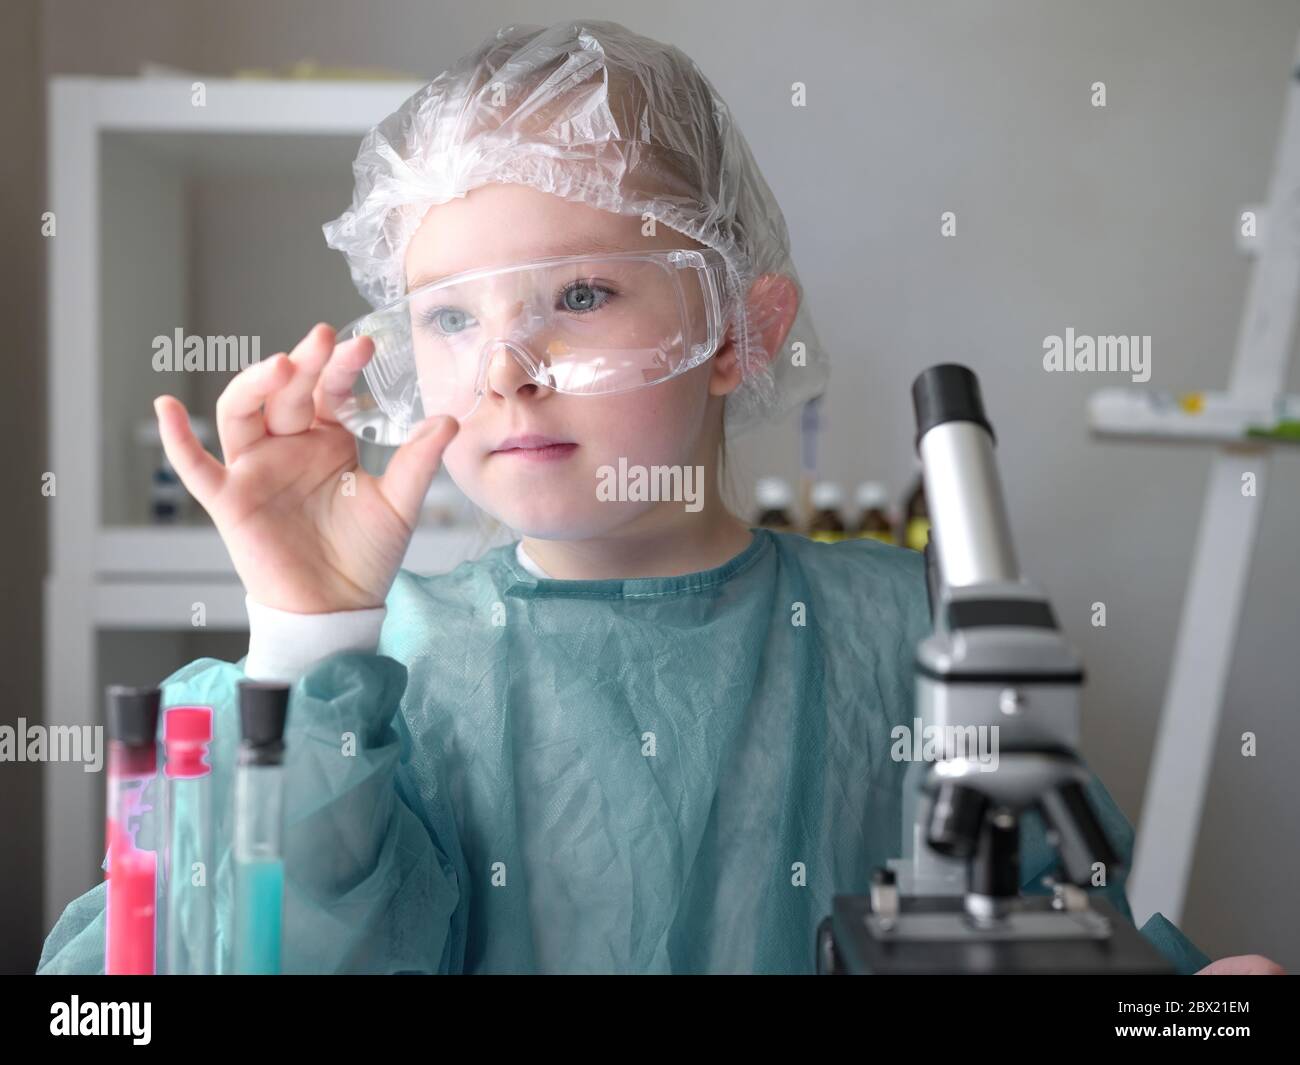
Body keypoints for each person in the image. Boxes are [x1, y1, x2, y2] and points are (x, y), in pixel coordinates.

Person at [38, 19, 1280, 975]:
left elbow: (1067, 934)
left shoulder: (918, 636)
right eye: (449, 319)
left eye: (579, 296)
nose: (508, 368)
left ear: (741, 329)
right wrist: (306, 644)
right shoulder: (385, 674)